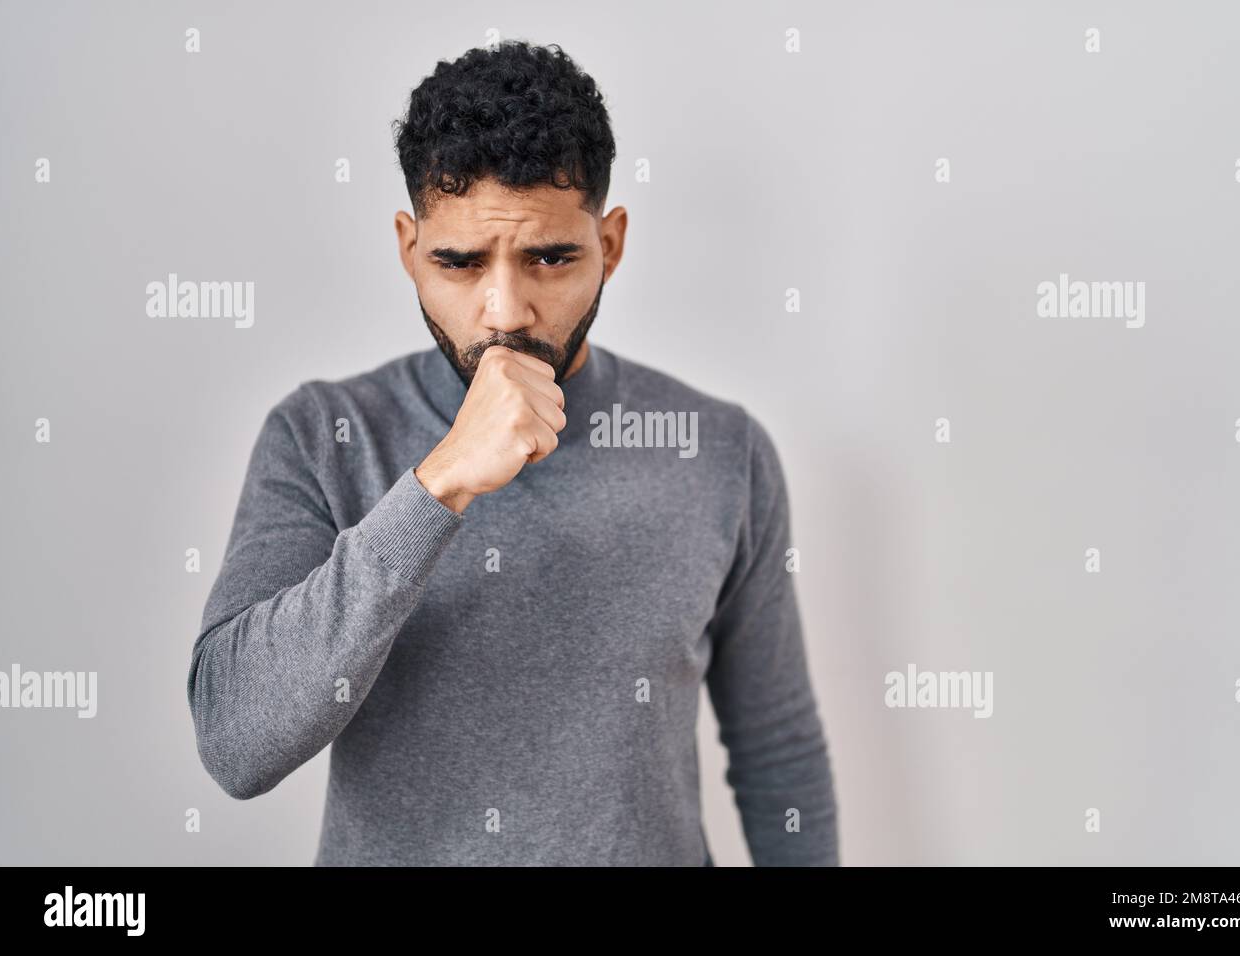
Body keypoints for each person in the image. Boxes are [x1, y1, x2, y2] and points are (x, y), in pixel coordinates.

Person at [186, 38, 838, 866]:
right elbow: (234, 743)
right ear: (408, 249)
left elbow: (778, 748)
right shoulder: (321, 434)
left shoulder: (721, 449)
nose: (505, 312)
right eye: (459, 262)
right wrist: (439, 482)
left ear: (613, 244)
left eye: (551, 258)